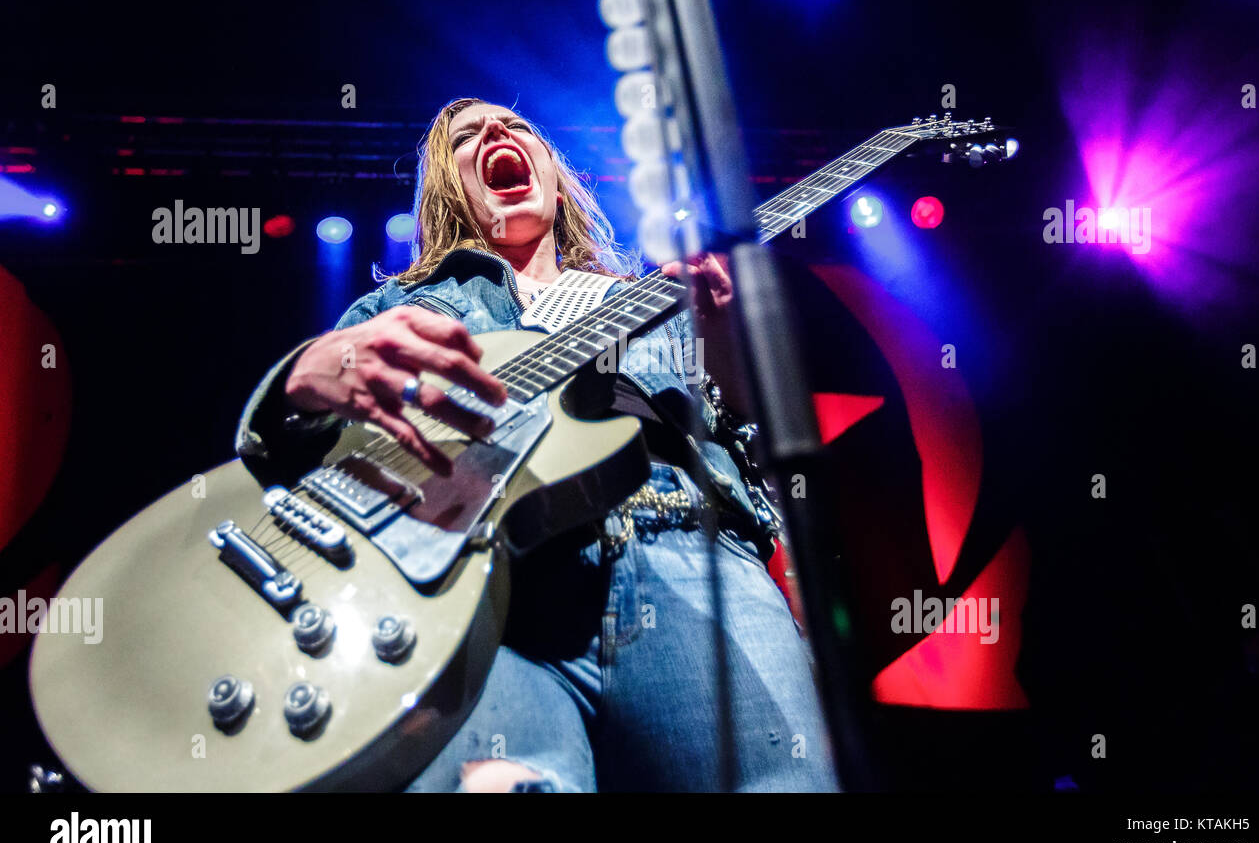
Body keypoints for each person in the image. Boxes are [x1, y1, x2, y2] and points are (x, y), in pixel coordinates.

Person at [234, 97, 839, 792]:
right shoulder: (399, 308)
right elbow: (300, 461)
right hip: (474, 587)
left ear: (554, 174)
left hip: (683, 549)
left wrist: (724, 332)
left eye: (518, 126)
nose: (497, 130)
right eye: (467, 136)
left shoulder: (647, 297)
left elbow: (743, 425)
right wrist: (298, 380)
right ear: (448, 186)